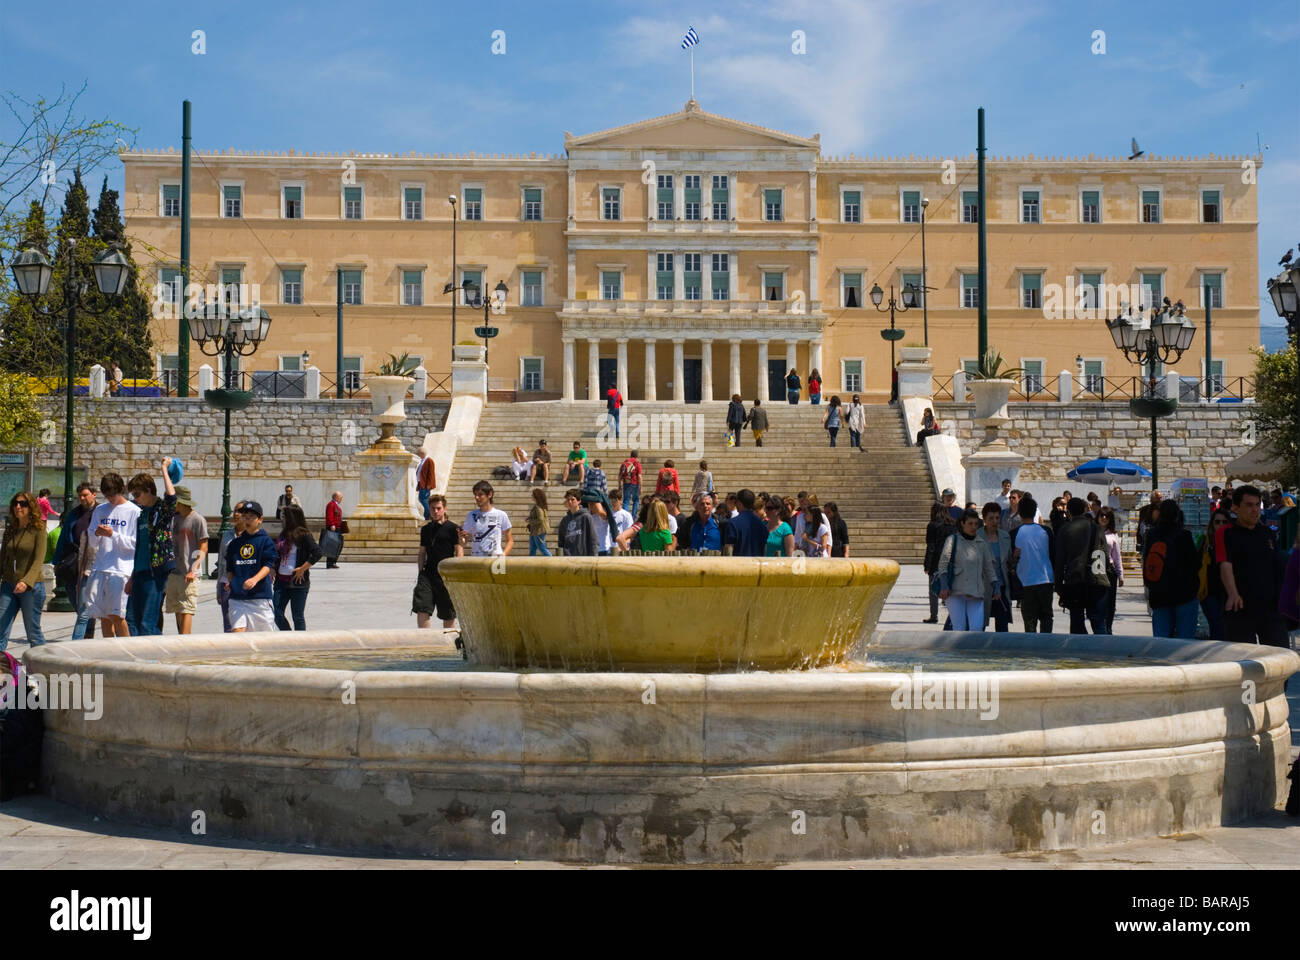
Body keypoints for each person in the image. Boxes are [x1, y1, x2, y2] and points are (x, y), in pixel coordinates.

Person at [1216, 484, 1287, 647]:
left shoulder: (1267, 533)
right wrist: (1233, 594)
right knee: (1243, 661)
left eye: (1257, 505)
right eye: (1248, 505)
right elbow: (1225, 564)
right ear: (1235, 508)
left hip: (1269, 608)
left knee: (1280, 656)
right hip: (1240, 608)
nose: (1254, 510)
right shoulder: (1226, 533)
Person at [81, 473, 140, 638]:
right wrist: (98, 534)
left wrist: (112, 534)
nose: (111, 499)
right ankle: (110, 653)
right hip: (101, 567)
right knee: (104, 616)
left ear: (121, 490)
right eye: (107, 496)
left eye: (113, 495)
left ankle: (127, 653)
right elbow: (91, 542)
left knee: (117, 615)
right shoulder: (100, 510)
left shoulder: (134, 512)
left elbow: (136, 544)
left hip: (122, 569)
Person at [125, 462, 178, 638]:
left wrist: (164, 470)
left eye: (137, 494)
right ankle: (137, 657)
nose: (135, 498)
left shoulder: (161, 509)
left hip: (155, 571)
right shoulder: (141, 513)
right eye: (133, 495)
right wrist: (131, 577)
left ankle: (154, 660)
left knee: (147, 621)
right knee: (131, 619)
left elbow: (171, 498)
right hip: (139, 571)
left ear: (148, 490)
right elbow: (139, 546)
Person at [1143, 499, 1200, 639]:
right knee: (1184, 641)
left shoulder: (1151, 535)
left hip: (1159, 594)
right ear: (1177, 515)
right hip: (1184, 594)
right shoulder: (1184, 535)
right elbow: (1196, 564)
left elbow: (1146, 562)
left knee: (1161, 640)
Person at [1054, 497, 1110, 635]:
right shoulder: (1096, 528)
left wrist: (1058, 585)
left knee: (1077, 622)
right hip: (1096, 580)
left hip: (1075, 581)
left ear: (1068, 512)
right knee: (1098, 623)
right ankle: (1101, 653)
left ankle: (1079, 653)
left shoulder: (1065, 529)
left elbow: (1059, 560)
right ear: (1085, 510)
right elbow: (1103, 555)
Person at [935, 508, 997, 631]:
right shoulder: (952, 540)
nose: (974, 527)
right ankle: (957, 651)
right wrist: (944, 585)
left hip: (976, 592)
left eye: (976, 524)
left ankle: (971, 650)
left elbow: (989, 568)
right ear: (962, 523)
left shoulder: (982, 543)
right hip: (955, 591)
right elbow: (942, 565)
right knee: (959, 628)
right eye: (970, 523)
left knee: (976, 628)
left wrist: (996, 585)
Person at [0, 491, 48, 651]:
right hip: (8, 585)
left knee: (33, 633)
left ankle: (44, 668)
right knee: (1, 629)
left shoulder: (39, 529)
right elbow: (3, 558)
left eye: (23, 504)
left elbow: (38, 560)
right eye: (15, 503)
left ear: (31, 506)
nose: (18, 507)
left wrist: (26, 581)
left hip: (31, 587)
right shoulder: (10, 530)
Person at [223, 501, 278, 632]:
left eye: (251, 517)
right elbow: (230, 569)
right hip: (238, 598)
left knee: (263, 640)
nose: (247, 520)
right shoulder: (235, 544)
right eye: (245, 516)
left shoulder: (265, 541)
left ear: (260, 520)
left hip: (259, 598)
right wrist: (231, 582)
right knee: (238, 634)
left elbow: (268, 565)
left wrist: (254, 579)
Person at [54, 482, 99, 641]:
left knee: (82, 611)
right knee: (76, 603)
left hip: (90, 564)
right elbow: (64, 537)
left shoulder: (101, 512)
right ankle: (88, 635)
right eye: (80, 495)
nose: (82, 498)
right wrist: (56, 560)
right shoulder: (73, 514)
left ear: (94, 494)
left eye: (85, 495)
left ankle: (75, 643)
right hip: (72, 563)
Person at [414, 495, 461, 630]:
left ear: (444, 509)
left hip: (446, 575)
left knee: (448, 612)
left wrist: (455, 573)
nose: (435, 511)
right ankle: (425, 641)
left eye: (438, 508)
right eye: (433, 508)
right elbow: (422, 551)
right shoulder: (426, 529)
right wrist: (420, 572)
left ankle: (449, 641)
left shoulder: (453, 528)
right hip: (428, 574)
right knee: (422, 607)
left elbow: (458, 550)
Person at [271, 504, 322, 631]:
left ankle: (301, 643)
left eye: (285, 516)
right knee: (276, 613)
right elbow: (276, 554)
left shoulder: (304, 535)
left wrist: (302, 569)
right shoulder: (283, 534)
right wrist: (272, 567)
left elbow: (317, 553)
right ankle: (289, 636)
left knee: (297, 616)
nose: (283, 519)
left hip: (298, 582)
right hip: (281, 581)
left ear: (293, 517)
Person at [166, 485, 209, 635]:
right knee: (177, 608)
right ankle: (181, 639)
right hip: (175, 571)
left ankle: (185, 641)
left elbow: (203, 546)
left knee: (187, 609)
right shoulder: (174, 519)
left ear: (181, 502)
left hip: (190, 572)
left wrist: (194, 569)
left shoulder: (197, 519)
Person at [1010, 496, 1055, 633]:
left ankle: (1032, 649)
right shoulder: (1046, 531)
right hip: (1046, 579)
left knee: (1030, 619)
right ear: (1035, 511)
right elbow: (1053, 555)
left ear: (1019, 512)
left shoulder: (1014, 534)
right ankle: (1046, 648)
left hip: (1026, 582)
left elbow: (1011, 560)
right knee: (1047, 616)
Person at [1197, 507, 1232, 643]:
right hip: (1209, 592)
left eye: (1224, 522)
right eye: (1217, 522)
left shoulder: (1233, 541)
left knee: (1226, 628)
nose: (1221, 525)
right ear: (1212, 524)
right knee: (1217, 625)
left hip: (1228, 592)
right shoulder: (1205, 542)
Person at [980, 502, 1012, 632]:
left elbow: (1009, 562)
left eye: (997, 518)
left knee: (1002, 626)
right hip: (983, 588)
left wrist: (1015, 558)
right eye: (991, 518)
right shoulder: (977, 536)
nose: (994, 521)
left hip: (1002, 587)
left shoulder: (1005, 536)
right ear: (984, 519)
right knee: (979, 624)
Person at [215, 502, 247, 632]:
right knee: (228, 624)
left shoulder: (253, 536)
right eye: (235, 510)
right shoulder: (227, 534)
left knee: (244, 624)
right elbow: (221, 560)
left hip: (245, 584)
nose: (236, 514)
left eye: (240, 511)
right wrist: (218, 589)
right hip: (226, 584)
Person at [461, 480, 513, 556]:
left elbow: (510, 541)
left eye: (480, 494)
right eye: (475, 495)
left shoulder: (501, 515)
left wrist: (503, 555)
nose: (477, 497)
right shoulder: (471, 515)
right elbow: (464, 542)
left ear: (490, 494)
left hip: (496, 562)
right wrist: (461, 538)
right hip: (477, 561)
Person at [923, 502, 953, 623]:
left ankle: (934, 615)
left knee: (933, 589)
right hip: (950, 559)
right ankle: (952, 615)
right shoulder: (952, 524)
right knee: (950, 587)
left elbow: (931, 546)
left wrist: (927, 564)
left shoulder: (932, 525)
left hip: (936, 560)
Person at [1097, 506, 1123, 635]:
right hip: (1096, 569)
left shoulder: (1113, 535)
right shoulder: (1093, 532)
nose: (1103, 518)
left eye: (1106, 516)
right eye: (1101, 515)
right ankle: (1100, 626)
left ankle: (1108, 627)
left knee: (1110, 601)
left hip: (1110, 570)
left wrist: (1120, 575)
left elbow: (1117, 557)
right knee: (1098, 600)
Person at [723, 489, 769, 557]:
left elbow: (728, 550)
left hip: (738, 566)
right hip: (757, 565)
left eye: (736, 502)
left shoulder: (732, 523)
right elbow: (765, 550)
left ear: (740, 503)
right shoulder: (762, 525)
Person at [558, 489, 599, 556]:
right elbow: (561, 541)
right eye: (568, 500)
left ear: (579, 501)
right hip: (568, 560)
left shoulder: (586, 517)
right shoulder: (564, 520)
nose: (570, 502)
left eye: (572, 499)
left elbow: (593, 539)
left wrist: (594, 557)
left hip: (583, 559)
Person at [526, 487, 552, 556]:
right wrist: (530, 517)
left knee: (542, 548)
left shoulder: (538, 507)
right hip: (535, 530)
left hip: (539, 531)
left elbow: (541, 519)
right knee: (532, 548)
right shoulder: (538, 506)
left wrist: (530, 521)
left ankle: (553, 561)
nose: (531, 496)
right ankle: (531, 564)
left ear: (536, 497)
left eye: (532, 495)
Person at [324, 490, 344, 568]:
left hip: (338, 528)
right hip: (333, 528)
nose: (341, 499)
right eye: (340, 498)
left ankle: (333, 561)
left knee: (338, 545)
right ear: (336, 497)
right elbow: (329, 515)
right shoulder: (331, 504)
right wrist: (332, 524)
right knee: (332, 545)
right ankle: (330, 563)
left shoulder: (335, 505)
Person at [618, 450, 642, 515]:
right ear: (637, 456)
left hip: (626, 483)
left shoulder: (624, 463)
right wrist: (640, 488)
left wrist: (619, 485)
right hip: (635, 484)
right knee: (636, 501)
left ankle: (625, 517)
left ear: (630, 455)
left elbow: (620, 476)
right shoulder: (637, 463)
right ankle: (633, 518)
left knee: (626, 501)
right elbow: (639, 476)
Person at [417, 447, 438, 516]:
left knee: (423, 499)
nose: (418, 455)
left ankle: (429, 514)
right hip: (421, 484)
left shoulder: (429, 461)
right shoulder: (422, 461)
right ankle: (427, 515)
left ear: (422, 453)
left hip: (425, 485)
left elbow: (431, 473)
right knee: (423, 499)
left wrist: (429, 484)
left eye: (418, 453)